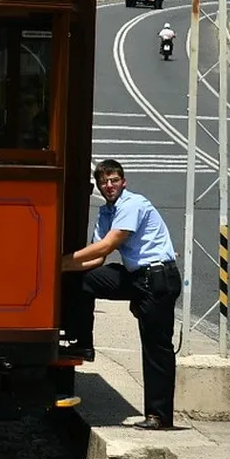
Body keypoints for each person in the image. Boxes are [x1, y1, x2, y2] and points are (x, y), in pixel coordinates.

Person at [61, 158, 181, 430]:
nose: (109, 185)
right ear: (98, 187)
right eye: (104, 182)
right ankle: (83, 340)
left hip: (157, 278)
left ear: (123, 182)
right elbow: (95, 260)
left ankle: (159, 416)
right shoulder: (106, 213)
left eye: (114, 180)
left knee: (156, 347)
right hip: (135, 277)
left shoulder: (132, 205)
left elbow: (108, 245)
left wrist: (60, 262)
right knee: (84, 281)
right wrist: (63, 269)